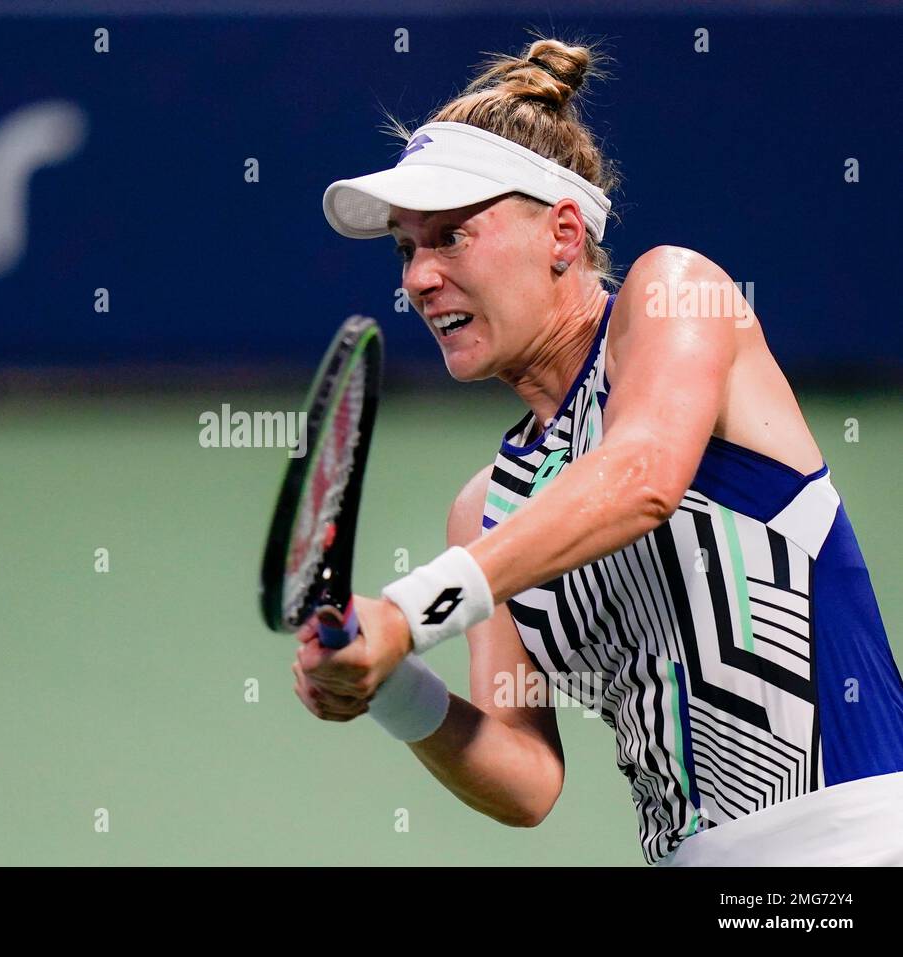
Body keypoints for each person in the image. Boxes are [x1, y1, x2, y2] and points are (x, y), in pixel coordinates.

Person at [293, 37, 903, 866]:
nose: (419, 278)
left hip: (855, 843)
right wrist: (391, 681)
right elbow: (528, 778)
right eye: (407, 249)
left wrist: (407, 610)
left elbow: (641, 478)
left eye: (451, 237)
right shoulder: (484, 513)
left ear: (564, 233)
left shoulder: (674, 292)